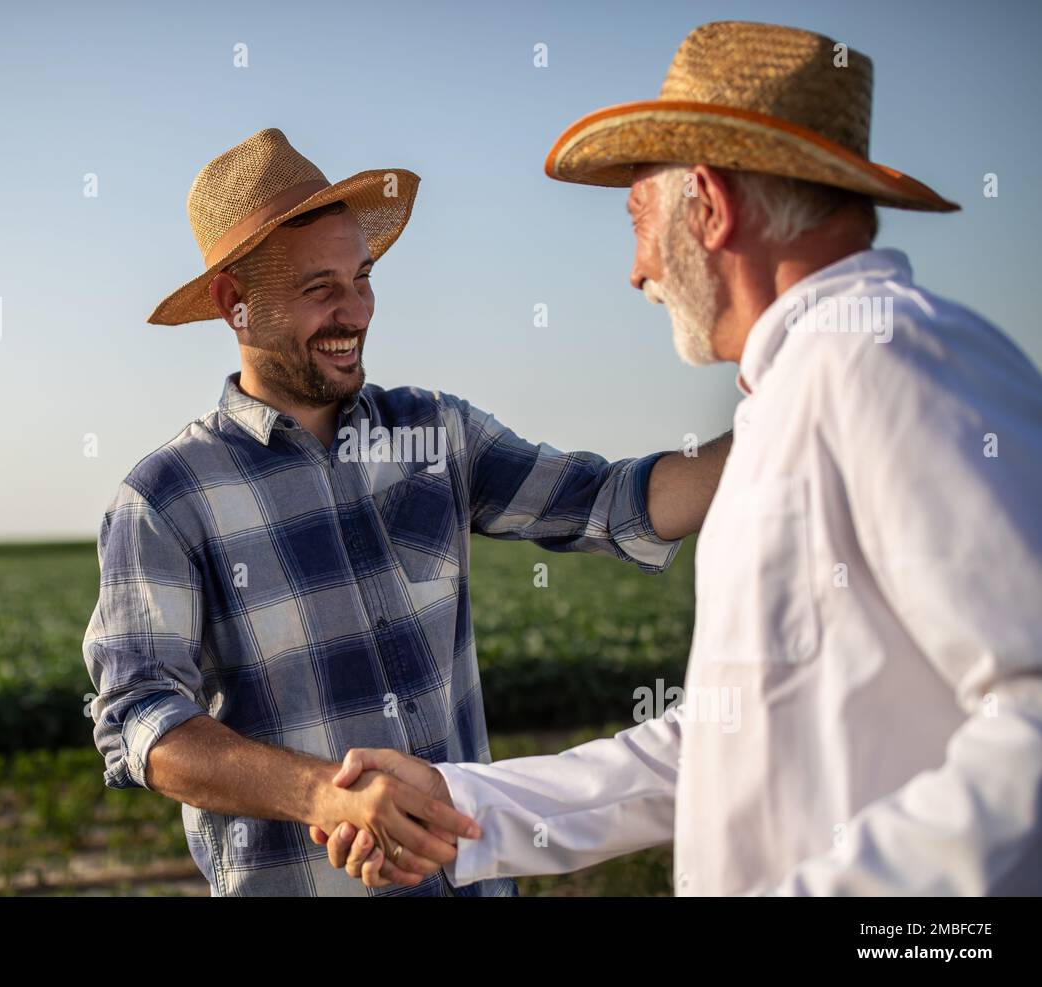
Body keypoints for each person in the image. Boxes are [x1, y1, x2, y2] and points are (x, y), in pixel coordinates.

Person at [318, 20, 1042, 895]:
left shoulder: (887, 360)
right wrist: (461, 804)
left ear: (709, 204)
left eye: (639, 219)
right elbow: (722, 741)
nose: (637, 271)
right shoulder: (801, 396)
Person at [81, 128, 729, 895]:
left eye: (363, 278)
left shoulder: (435, 432)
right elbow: (143, 721)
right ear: (234, 303)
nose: (355, 311)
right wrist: (325, 794)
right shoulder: (165, 497)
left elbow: (613, 501)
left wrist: (780, 419)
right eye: (320, 289)